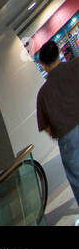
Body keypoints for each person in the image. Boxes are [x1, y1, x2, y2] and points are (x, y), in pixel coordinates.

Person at [36, 40, 79, 206]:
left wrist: (57, 132)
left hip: (69, 139)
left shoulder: (43, 94)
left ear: (44, 65)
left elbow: (46, 127)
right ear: (59, 53)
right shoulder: (76, 66)